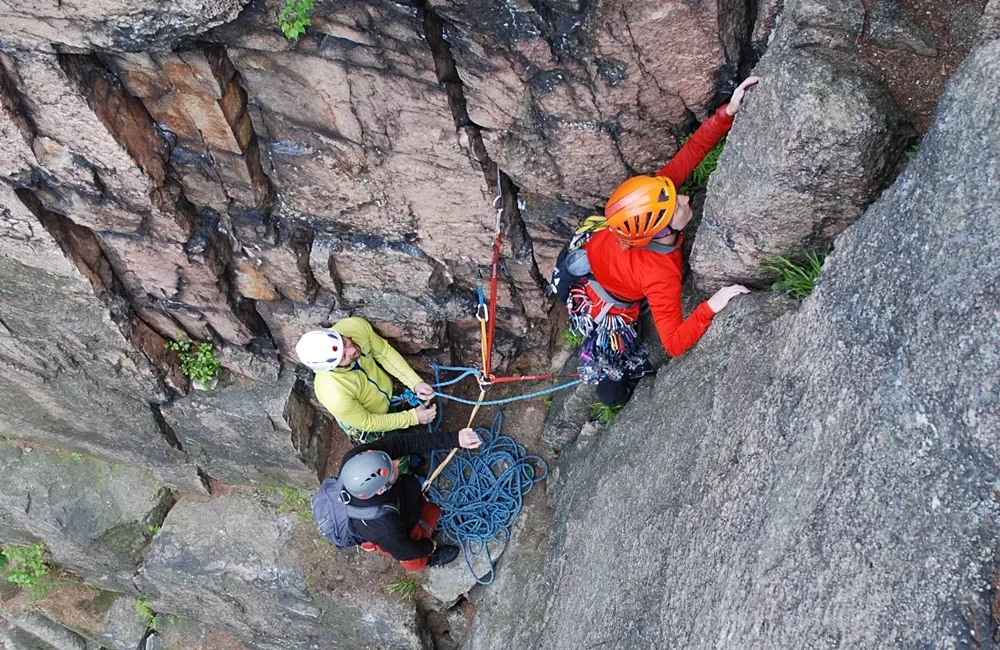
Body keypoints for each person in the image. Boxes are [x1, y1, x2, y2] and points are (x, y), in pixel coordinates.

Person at [564, 77, 760, 406]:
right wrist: (714, 303)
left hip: (591, 260)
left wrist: (728, 112)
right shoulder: (660, 274)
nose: (684, 197)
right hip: (606, 302)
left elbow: (692, 152)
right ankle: (607, 391)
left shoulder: (651, 202)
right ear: (659, 231)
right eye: (677, 206)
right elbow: (672, 343)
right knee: (612, 393)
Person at [339, 426, 483, 570]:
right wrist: (427, 547)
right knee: (413, 556)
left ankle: (429, 527)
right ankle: (429, 560)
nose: (396, 462)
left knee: (431, 513)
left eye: (390, 460)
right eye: (391, 468)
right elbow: (405, 552)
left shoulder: (358, 459)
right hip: (394, 530)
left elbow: (403, 444)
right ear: (382, 489)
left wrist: (455, 439)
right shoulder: (385, 529)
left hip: (403, 499)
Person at [295, 317, 437, 444]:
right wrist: (412, 418)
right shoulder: (333, 393)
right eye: (343, 356)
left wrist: (415, 382)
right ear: (331, 367)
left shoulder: (353, 326)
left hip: (385, 392)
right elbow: (367, 422)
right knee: (395, 456)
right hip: (367, 423)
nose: (351, 350)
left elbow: (384, 353)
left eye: (344, 342)